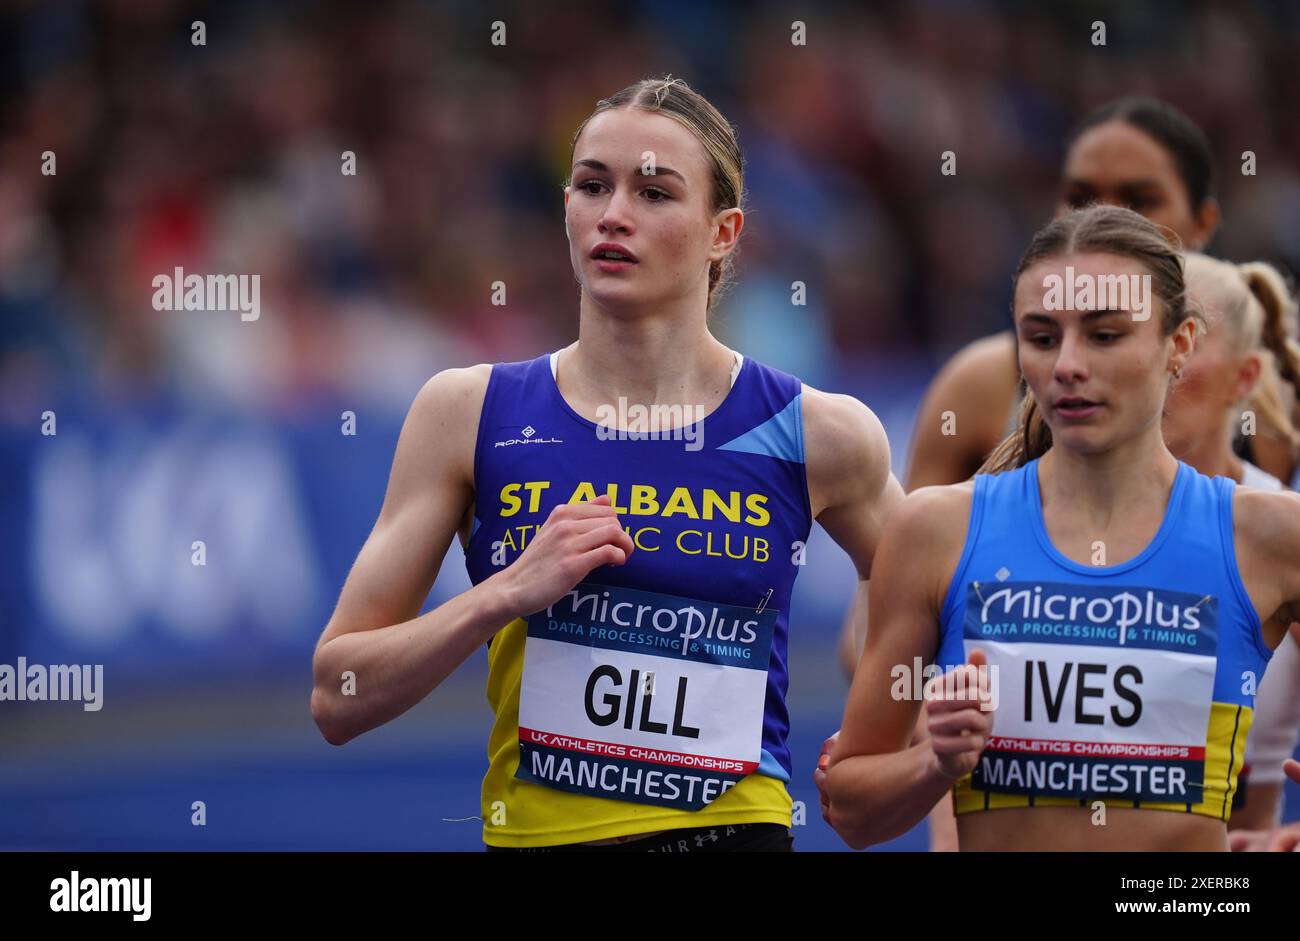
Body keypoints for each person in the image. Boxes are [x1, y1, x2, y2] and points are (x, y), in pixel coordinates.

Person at [309, 76, 904, 851]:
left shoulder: (816, 431)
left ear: (724, 232)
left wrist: (879, 718)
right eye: (593, 185)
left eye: (654, 192)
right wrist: (504, 592)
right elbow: (336, 694)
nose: (614, 214)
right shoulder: (468, 412)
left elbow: (932, 598)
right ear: (566, 208)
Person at [824, 205, 1300, 851]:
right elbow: (850, 807)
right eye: (1043, 337)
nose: (1067, 365)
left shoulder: (1268, 534)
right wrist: (934, 758)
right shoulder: (936, 526)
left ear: (1180, 343)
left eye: (1104, 335)